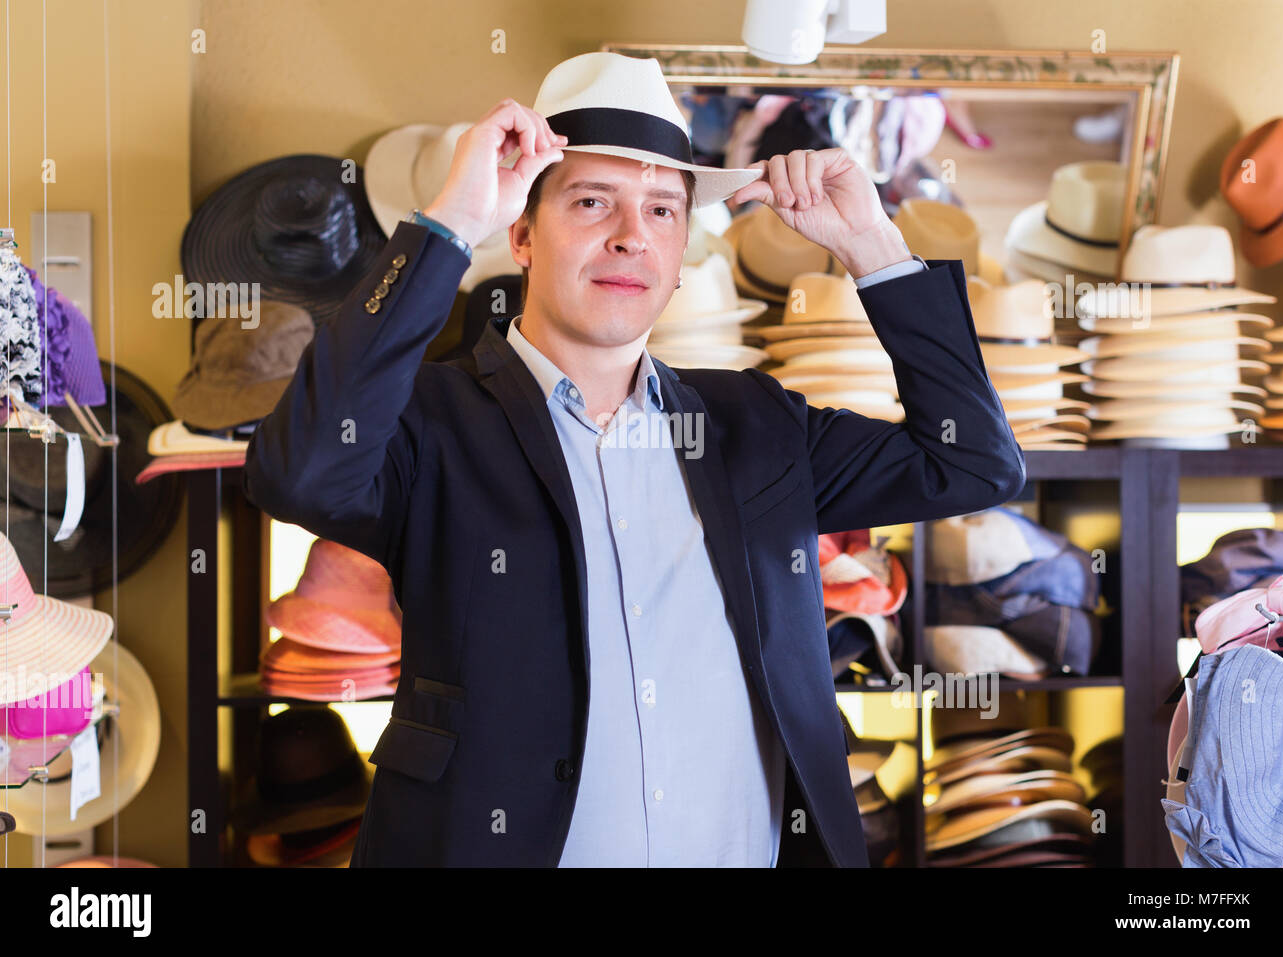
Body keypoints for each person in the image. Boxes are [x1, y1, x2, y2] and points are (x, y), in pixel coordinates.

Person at [243, 52, 1025, 867]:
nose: (630, 235)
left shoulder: (755, 422)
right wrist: (448, 223)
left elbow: (972, 464)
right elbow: (296, 473)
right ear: (521, 234)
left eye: (661, 209)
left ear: (682, 250)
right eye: (591, 201)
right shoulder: (430, 423)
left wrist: (873, 245)